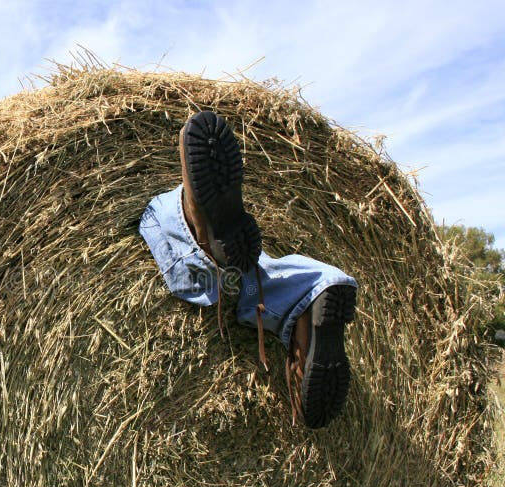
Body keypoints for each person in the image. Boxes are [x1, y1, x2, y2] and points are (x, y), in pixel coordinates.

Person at [139, 111, 358, 429]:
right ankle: (309, 290)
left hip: (223, 246)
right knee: (260, 270)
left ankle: (192, 228)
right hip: (250, 263)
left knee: (153, 215)